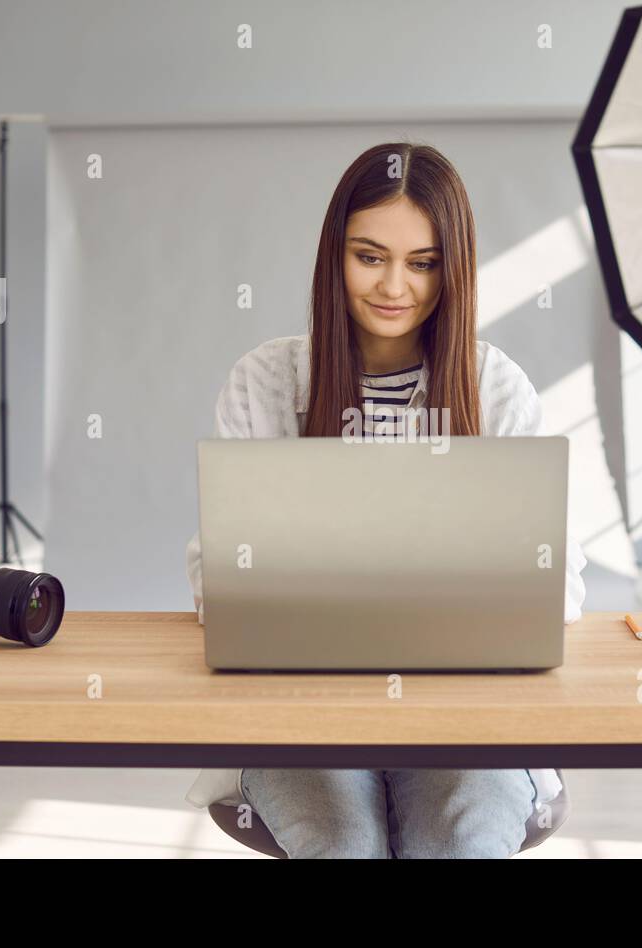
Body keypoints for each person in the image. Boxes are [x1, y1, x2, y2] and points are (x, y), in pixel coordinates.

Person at [183, 141, 586, 858]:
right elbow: (217, 572)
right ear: (334, 257)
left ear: (452, 268)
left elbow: (562, 585)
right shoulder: (265, 380)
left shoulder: (497, 389)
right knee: (344, 842)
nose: (394, 285)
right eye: (370, 256)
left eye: (423, 263)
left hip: (464, 717)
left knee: (462, 840)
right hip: (301, 713)